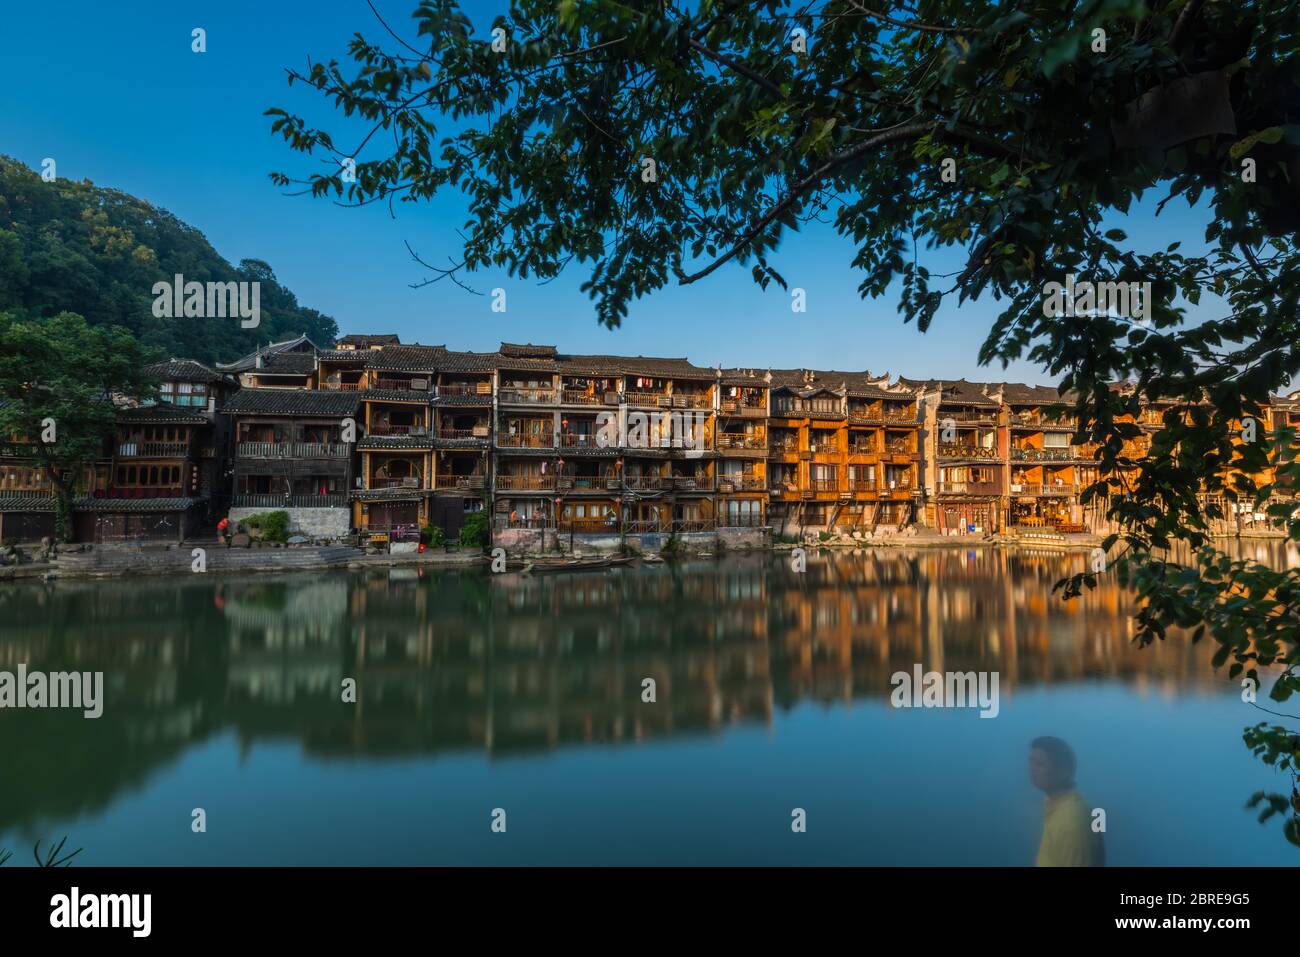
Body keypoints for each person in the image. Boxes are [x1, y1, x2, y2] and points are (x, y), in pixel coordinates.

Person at [1030, 736, 1105, 866]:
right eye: (1031, 761)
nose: (1031, 769)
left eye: (1040, 764)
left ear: (1064, 771)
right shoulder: (1056, 805)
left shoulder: (1073, 821)